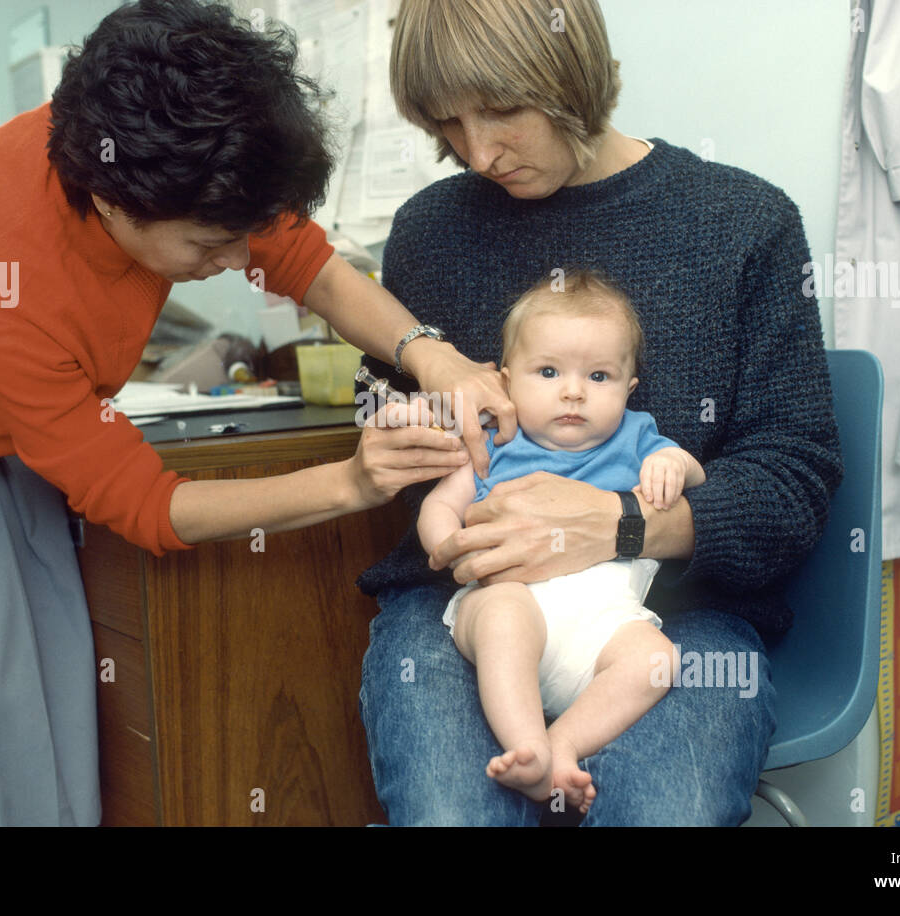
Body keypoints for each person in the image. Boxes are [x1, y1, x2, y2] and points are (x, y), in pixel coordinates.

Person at [0, 0, 514, 826]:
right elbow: (146, 505)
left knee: (40, 686)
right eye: (206, 248)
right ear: (114, 204)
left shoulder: (170, 152)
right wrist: (349, 483)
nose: (236, 263)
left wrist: (435, 357)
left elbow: (301, 260)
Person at [356, 0, 844, 826]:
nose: (478, 152)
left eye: (503, 111)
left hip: (678, 615)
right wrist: (386, 432)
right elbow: (379, 399)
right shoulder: (429, 231)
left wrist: (617, 525)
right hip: (465, 606)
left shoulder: (741, 225)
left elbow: (792, 483)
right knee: (451, 813)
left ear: (570, 75)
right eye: (448, 125)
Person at [418, 270, 704, 814]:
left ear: (629, 389)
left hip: (602, 628)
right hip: (509, 603)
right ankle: (525, 742)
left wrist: (674, 463)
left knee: (656, 659)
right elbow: (441, 503)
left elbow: (693, 473)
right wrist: (448, 544)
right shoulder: (497, 444)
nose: (573, 391)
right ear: (505, 383)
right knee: (503, 613)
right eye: (548, 372)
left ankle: (562, 746)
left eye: (599, 376)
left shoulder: (638, 438)